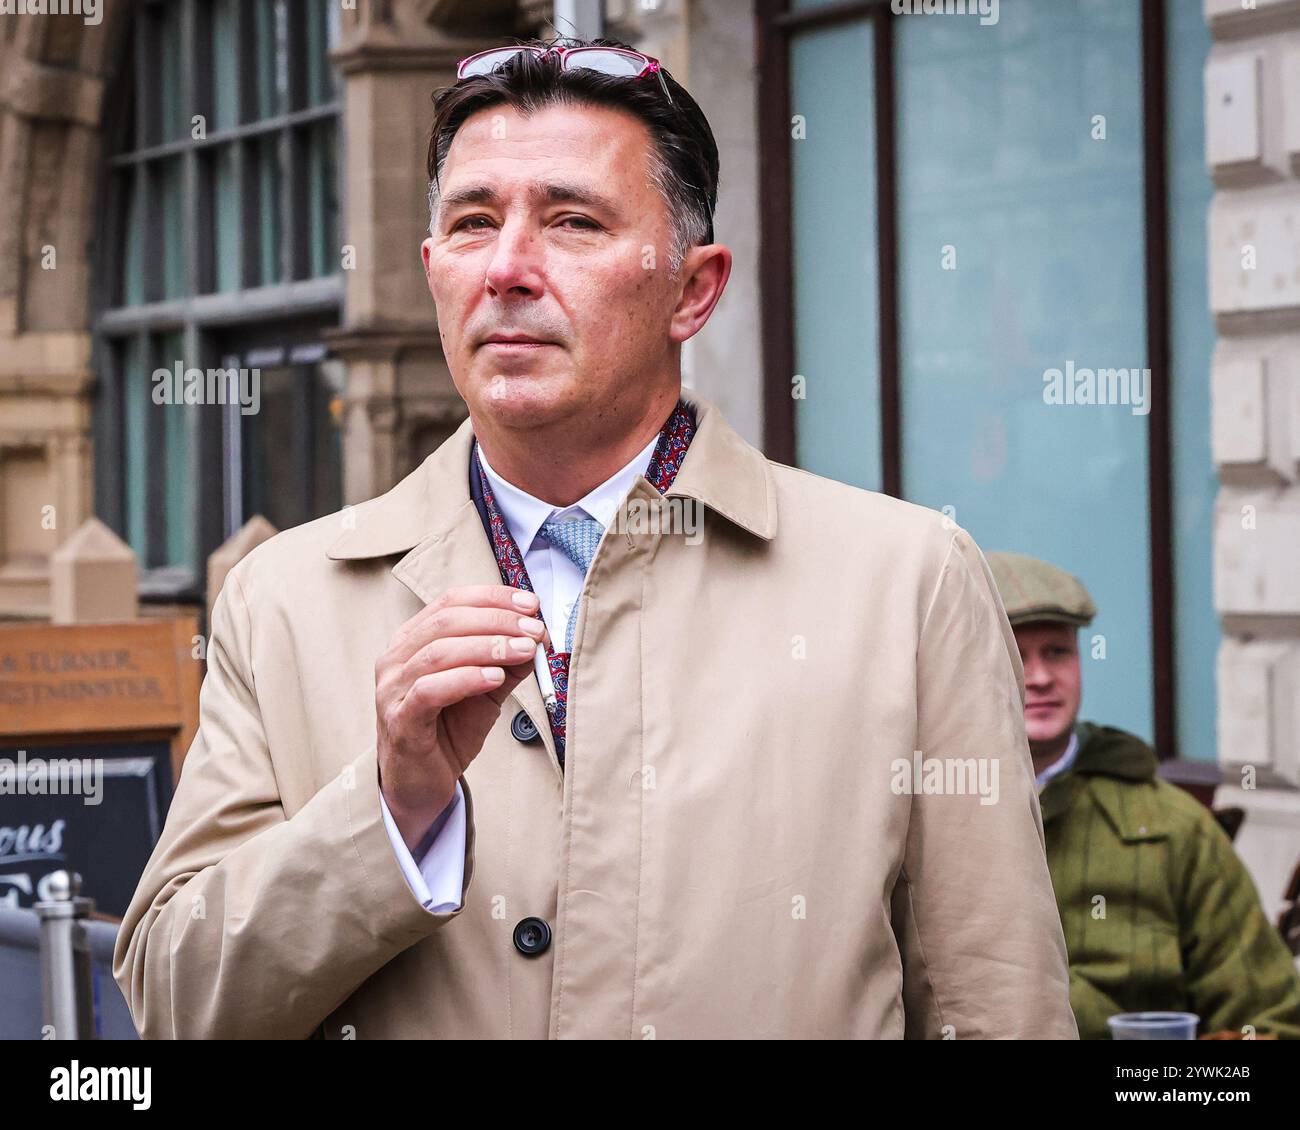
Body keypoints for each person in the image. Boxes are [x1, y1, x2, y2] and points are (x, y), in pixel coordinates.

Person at [113, 38, 1076, 1039]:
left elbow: (994, 997)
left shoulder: (904, 583)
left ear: (692, 290)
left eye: (573, 222)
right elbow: (175, 1005)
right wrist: (391, 813)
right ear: (433, 267)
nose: (508, 268)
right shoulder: (282, 602)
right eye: (473, 222)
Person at [987, 550, 1300, 1039]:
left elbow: (1267, 1019)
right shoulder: (925, 815)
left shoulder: (1170, 824)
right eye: (1015, 656)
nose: (1042, 677)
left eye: (1057, 652)